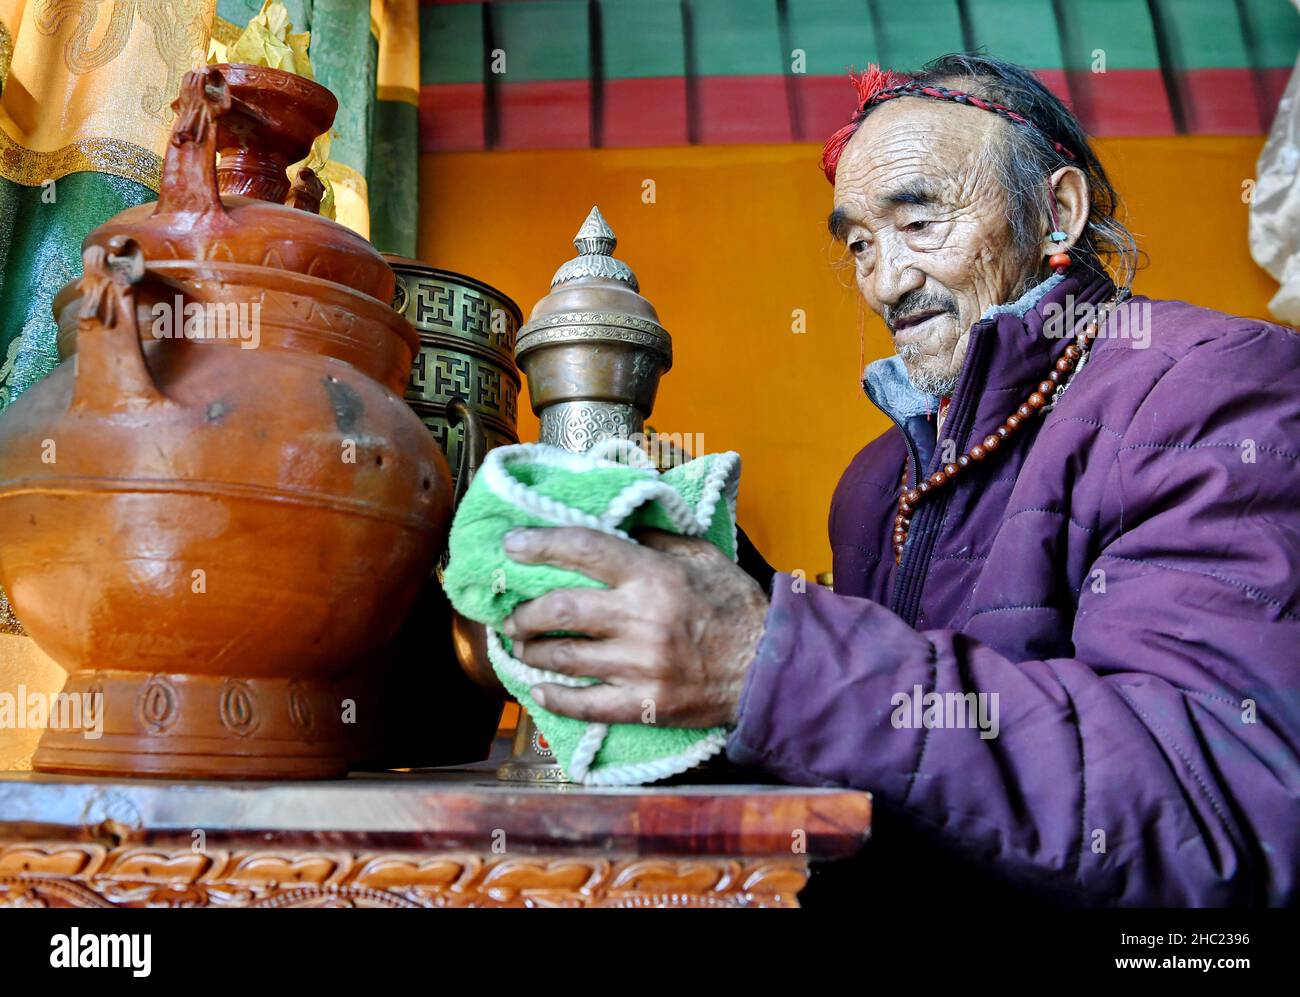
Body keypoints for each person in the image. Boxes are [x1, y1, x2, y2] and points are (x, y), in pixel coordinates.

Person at [497, 54, 1300, 906]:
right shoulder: (878, 481)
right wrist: (713, 586)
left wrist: (768, 657)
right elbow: (884, 777)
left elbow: (1220, 804)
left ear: (1057, 212)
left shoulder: (1206, 387)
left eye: (920, 224)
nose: (886, 281)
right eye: (858, 244)